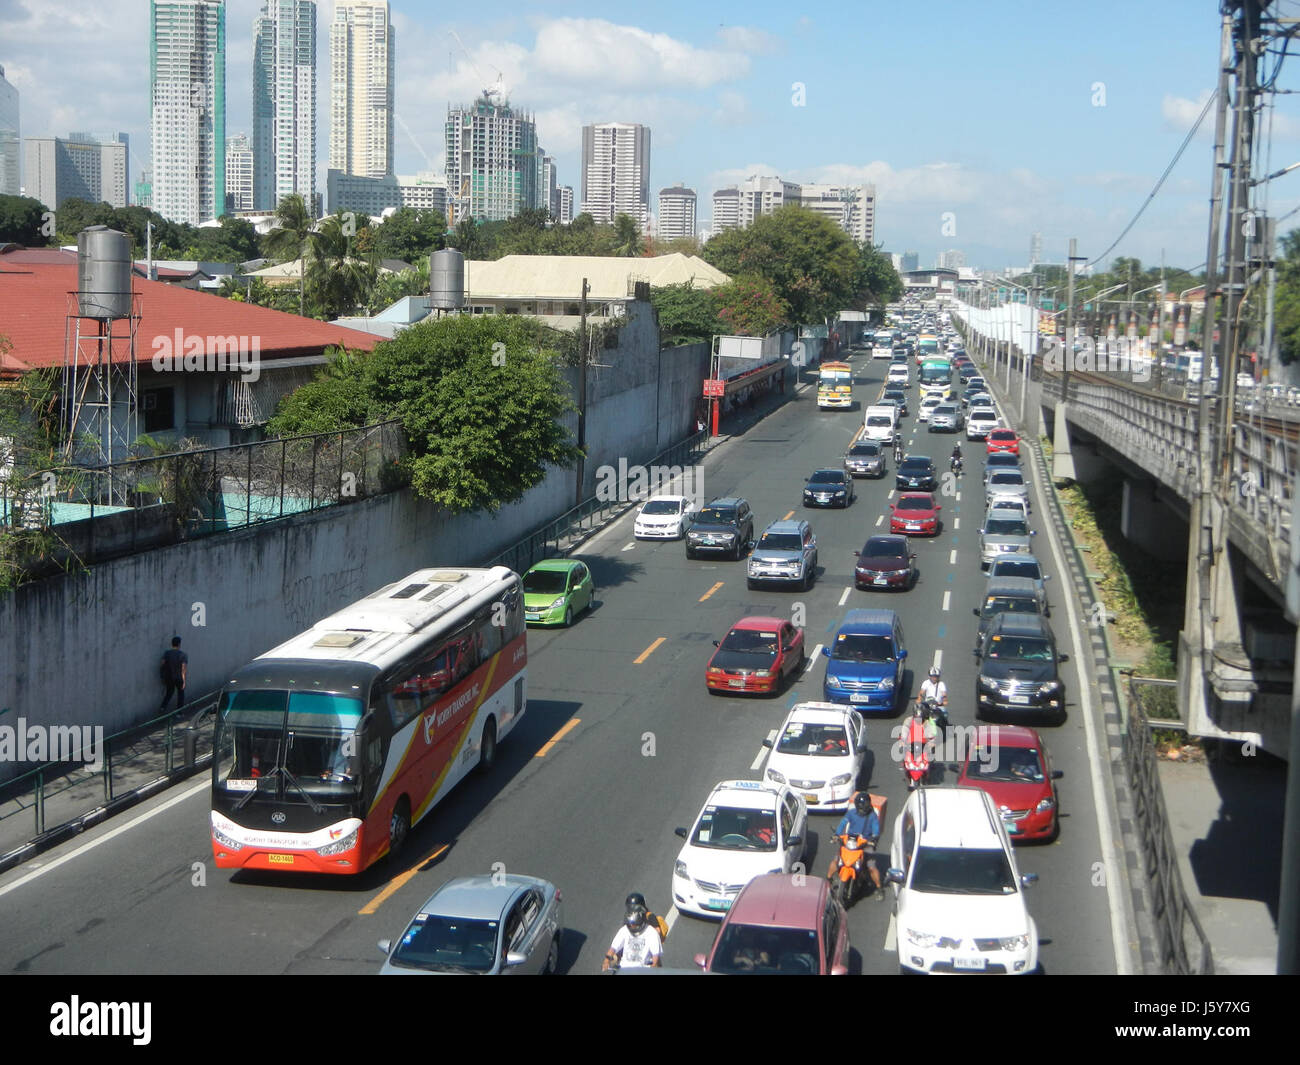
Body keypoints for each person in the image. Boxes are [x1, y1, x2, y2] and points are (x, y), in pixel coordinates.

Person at [826, 793, 884, 899]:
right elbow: (843, 823)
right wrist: (836, 835)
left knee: (871, 867)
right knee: (836, 860)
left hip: (866, 843)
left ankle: (879, 888)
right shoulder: (851, 813)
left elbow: (876, 829)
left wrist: (874, 839)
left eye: (864, 807)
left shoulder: (872, 816)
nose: (862, 810)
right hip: (850, 842)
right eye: (860, 807)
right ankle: (828, 879)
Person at [602, 906, 662, 970]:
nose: (631, 926)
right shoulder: (624, 930)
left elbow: (655, 957)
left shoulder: (652, 933)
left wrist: (652, 969)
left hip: (642, 970)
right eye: (630, 924)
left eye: (634, 924)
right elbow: (613, 948)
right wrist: (606, 961)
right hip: (624, 968)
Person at [159, 636, 188, 711]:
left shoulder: (167, 653)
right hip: (179, 678)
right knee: (180, 694)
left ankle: (162, 707)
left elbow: (162, 664)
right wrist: (184, 681)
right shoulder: (183, 655)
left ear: (172, 644)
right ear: (179, 644)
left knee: (169, 693)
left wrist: (162, 676)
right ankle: (179, 712)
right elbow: (183, 668)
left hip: (169, 677)